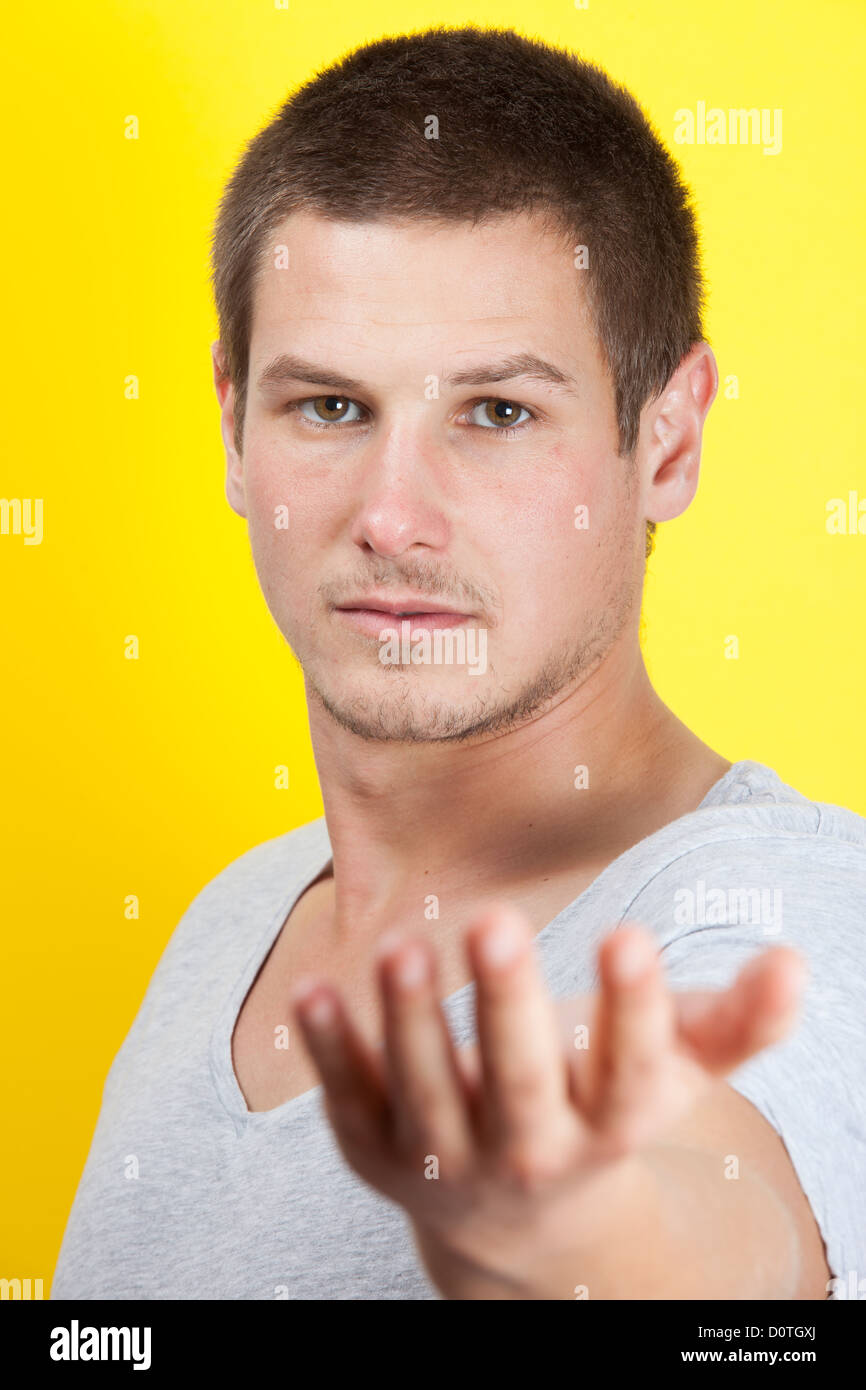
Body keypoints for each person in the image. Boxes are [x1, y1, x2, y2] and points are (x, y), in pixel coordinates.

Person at [52, 26, 865, 1301]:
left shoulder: (784, 913)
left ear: (663, 441)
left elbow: (721, 1222)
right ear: (231, 425)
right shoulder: (233, 923)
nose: (390, 514)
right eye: (328, 406)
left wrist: (595, 1244)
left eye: (496, 414)